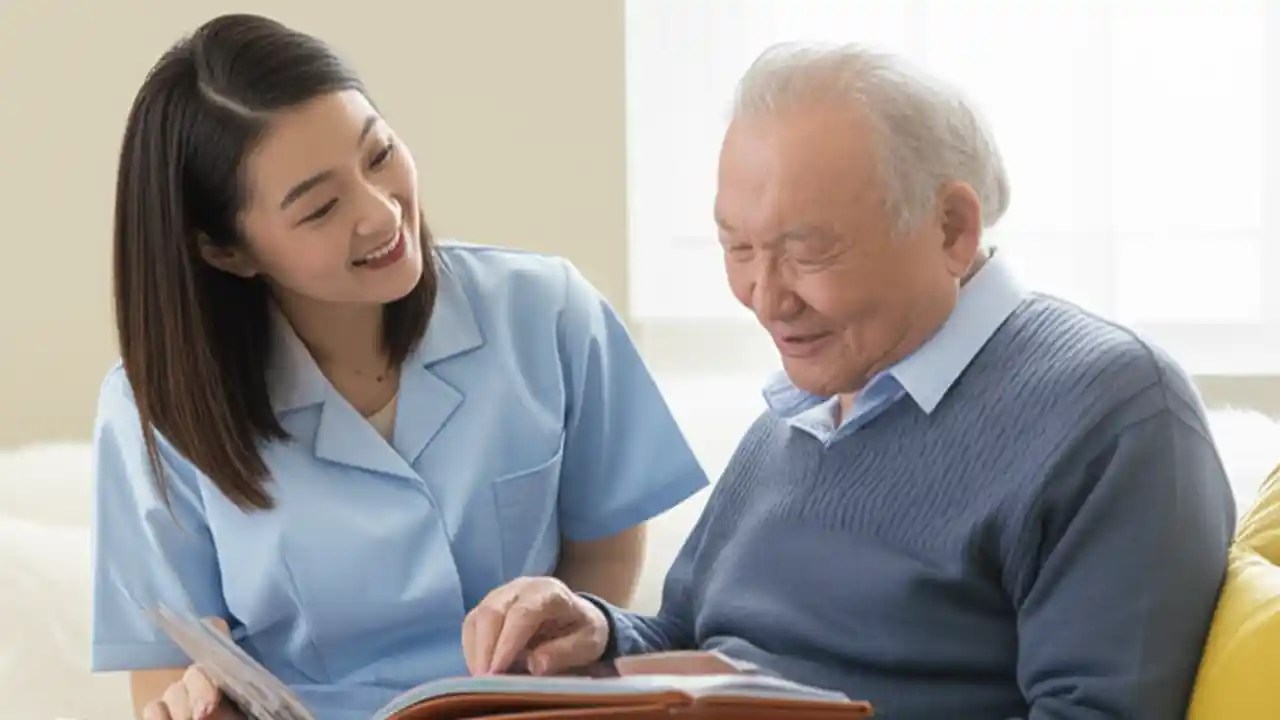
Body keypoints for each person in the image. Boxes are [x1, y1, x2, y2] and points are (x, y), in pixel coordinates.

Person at [461, 42, 1237, 719]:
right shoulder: (805, 400)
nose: (765, 298)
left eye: (807, 252)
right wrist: (596, 631)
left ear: (951, 230)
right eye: (737, 249)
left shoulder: (1114, 412)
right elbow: (684, 636)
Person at [90, 13, 708, 720]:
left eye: (379, 154)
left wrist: (553, 662)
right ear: (226, 251)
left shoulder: (549, 312)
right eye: (320, 207)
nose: (380, 213)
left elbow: (603, 553)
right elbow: (165, 673)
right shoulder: (159, 406)